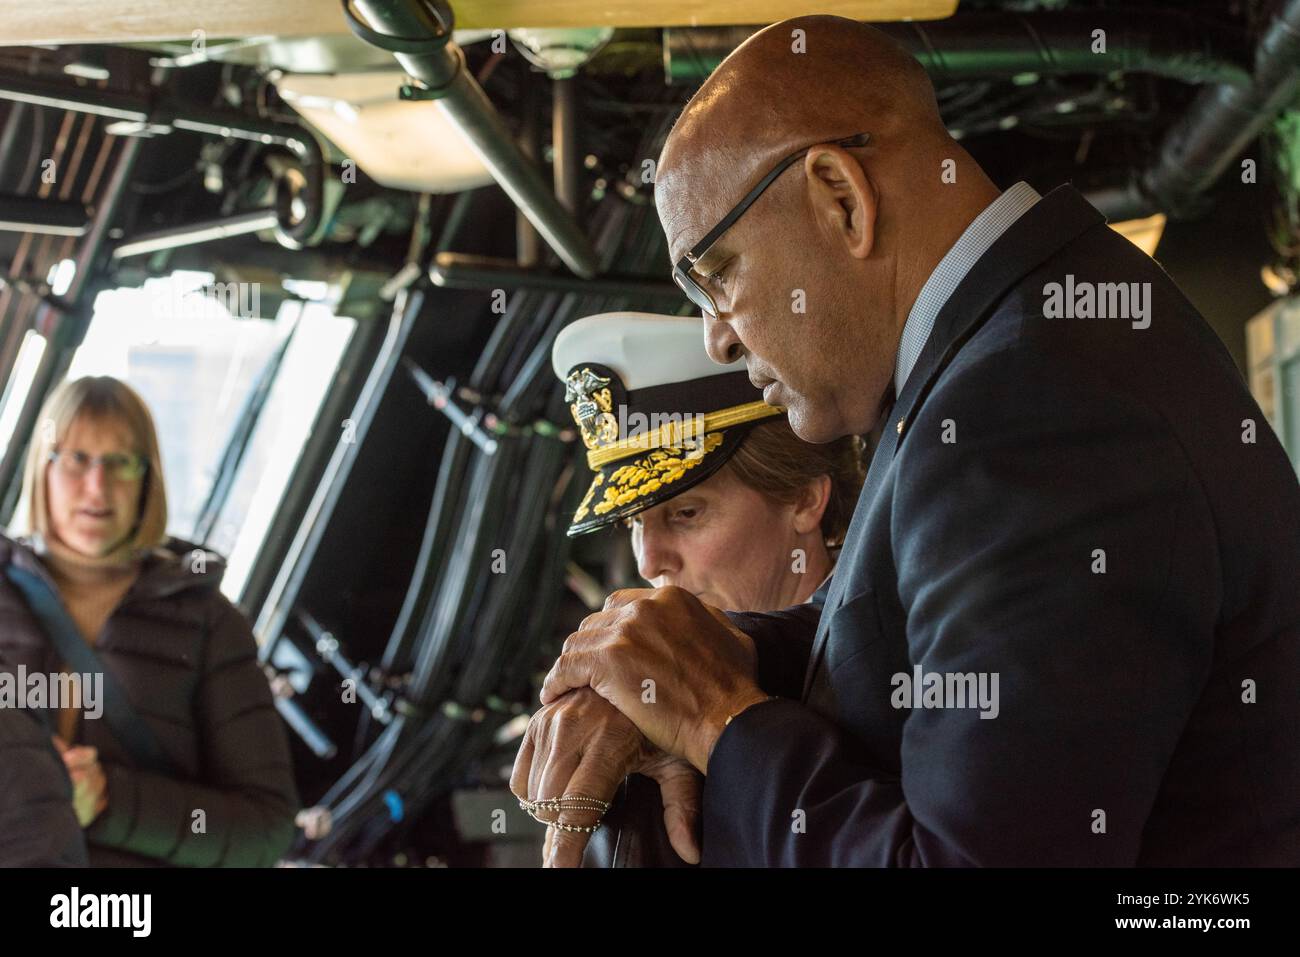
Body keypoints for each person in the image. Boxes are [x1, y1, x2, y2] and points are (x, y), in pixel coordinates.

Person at [528, 16, 1300, 866]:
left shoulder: (1030, 405)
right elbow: (893, 620)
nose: (718, 337)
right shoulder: (1018, 345)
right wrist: (690, 663)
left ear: (840, 198)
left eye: (717, 275)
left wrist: (717, 720)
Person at [512, 312, 862, 866]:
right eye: (634, 524)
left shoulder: (903, 672)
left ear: (802, 499)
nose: (650, 561)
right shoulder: (623, 723)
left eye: (686, 513)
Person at [0, 375, 299, 866]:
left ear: (147, 478)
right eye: (76, 458)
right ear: (42, 466)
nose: (97, 485)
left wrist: (108, 802)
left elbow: (266, 829)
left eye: (120, 462)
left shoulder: (209, 625)